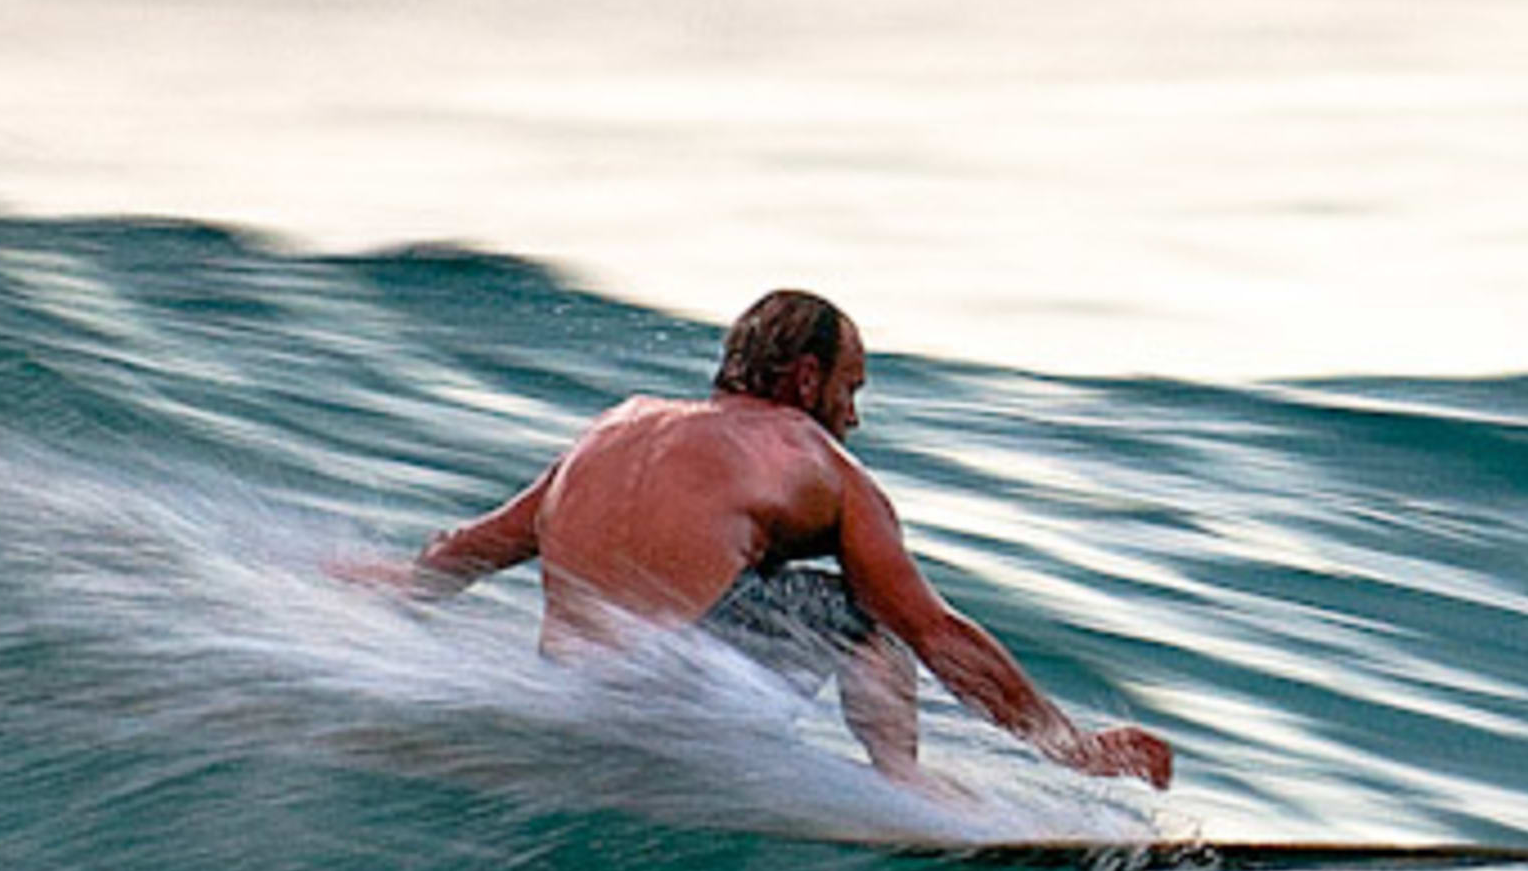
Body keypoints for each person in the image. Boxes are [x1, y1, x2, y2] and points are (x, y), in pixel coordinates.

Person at [353, 289, 1173, 793]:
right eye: (851, 388)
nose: (853, 415)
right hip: (680, 703)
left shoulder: (612, 429)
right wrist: (1074, 749)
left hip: (572, 694)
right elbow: (937, 634)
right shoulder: (814, 458)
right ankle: (904, 787)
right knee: (871, 609)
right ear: (806, 380)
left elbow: (476, 546)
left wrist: (394, 584)